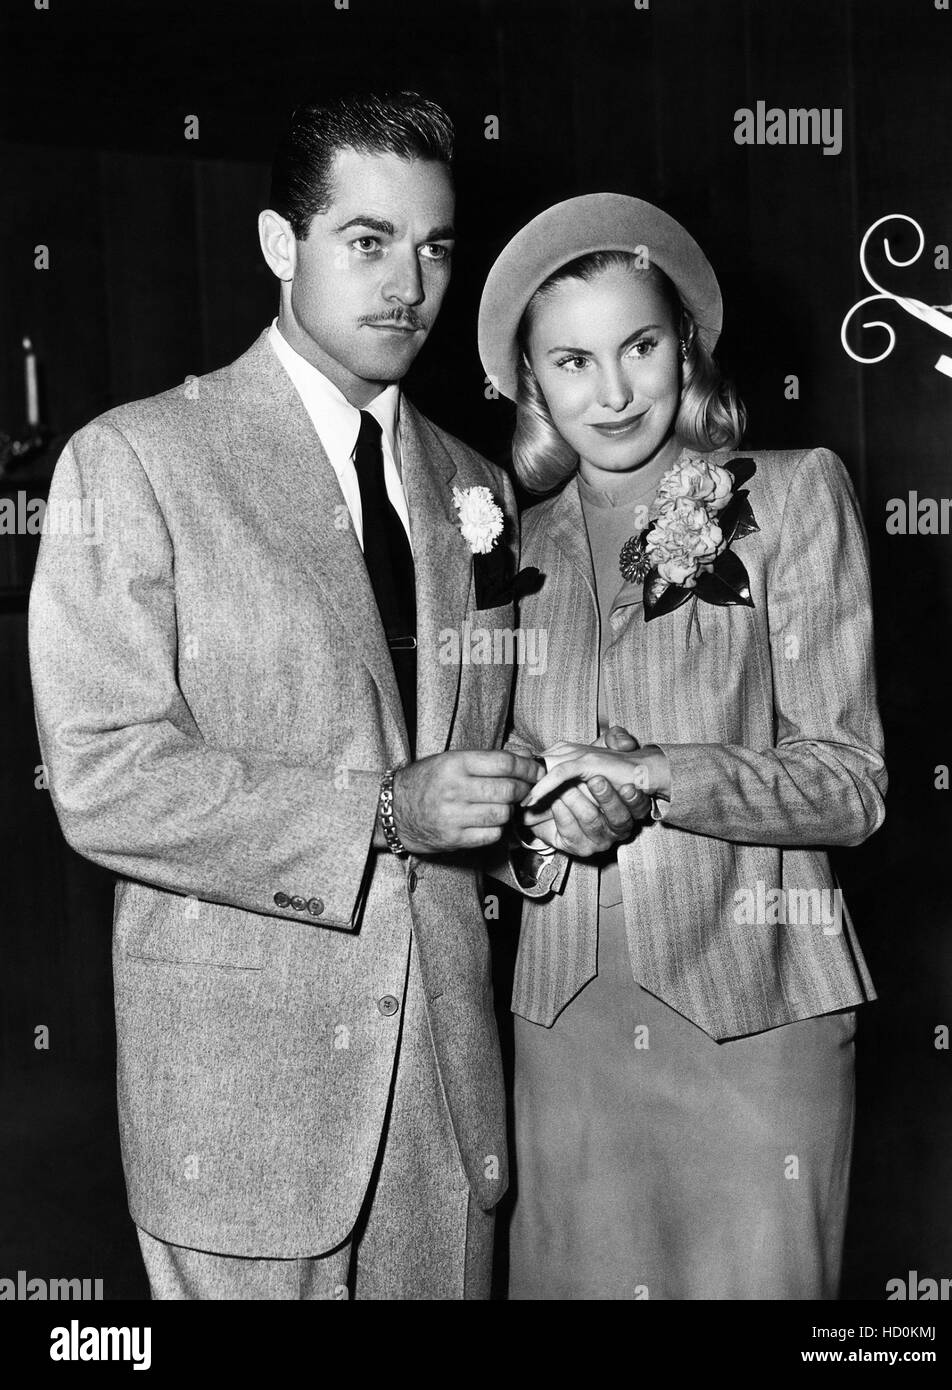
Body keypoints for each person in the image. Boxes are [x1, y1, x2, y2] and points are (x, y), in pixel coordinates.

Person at [27, 96, 645, 1301]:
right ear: (278, 244)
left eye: (434, 247)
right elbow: (103, 779)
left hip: (445, 1097)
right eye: (365, 242)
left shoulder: (472, 486)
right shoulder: (139, 460)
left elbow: (477, 761)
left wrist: (547, 818)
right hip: (244, 1112)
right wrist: (378, 813)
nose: (407, 283)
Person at [477, 194, 888, 1300]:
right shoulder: (510, 548)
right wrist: (544, 826)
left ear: (686, 341)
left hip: (754, 1013)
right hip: (567, 1028)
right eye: (570, 360)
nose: (610, 393)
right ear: (529, 380)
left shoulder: (793, 495)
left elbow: (848, 782)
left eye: (639, 346)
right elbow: (499, 797)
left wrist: (653, 778)